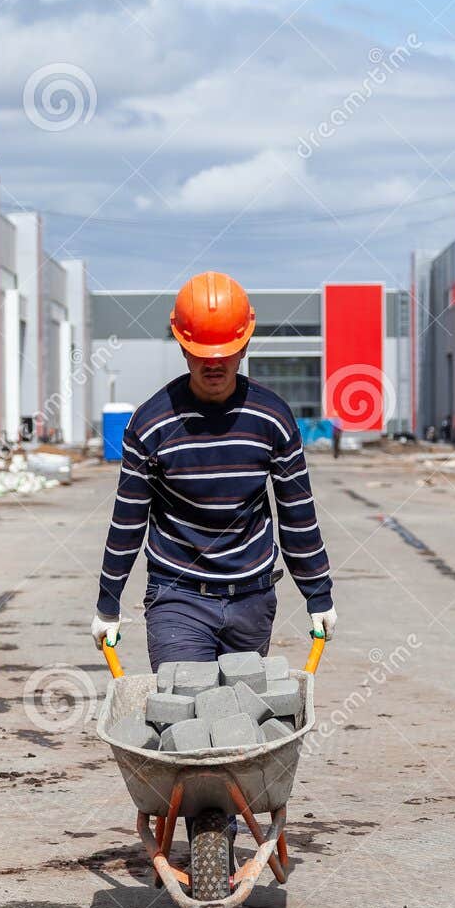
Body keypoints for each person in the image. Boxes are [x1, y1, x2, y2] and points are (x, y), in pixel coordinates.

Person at [90, 270, 337, 670]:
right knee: (184, 716)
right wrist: (108, 602)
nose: (214, 365)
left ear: (244, 346)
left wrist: (318, 593)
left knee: (238, 719)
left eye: (224, 354)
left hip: (251, 600)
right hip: (177, 599)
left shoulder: (271, 417)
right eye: (203, 355)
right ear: (183, 347)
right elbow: (127, 521)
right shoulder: (151, 424)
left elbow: (297, 514)